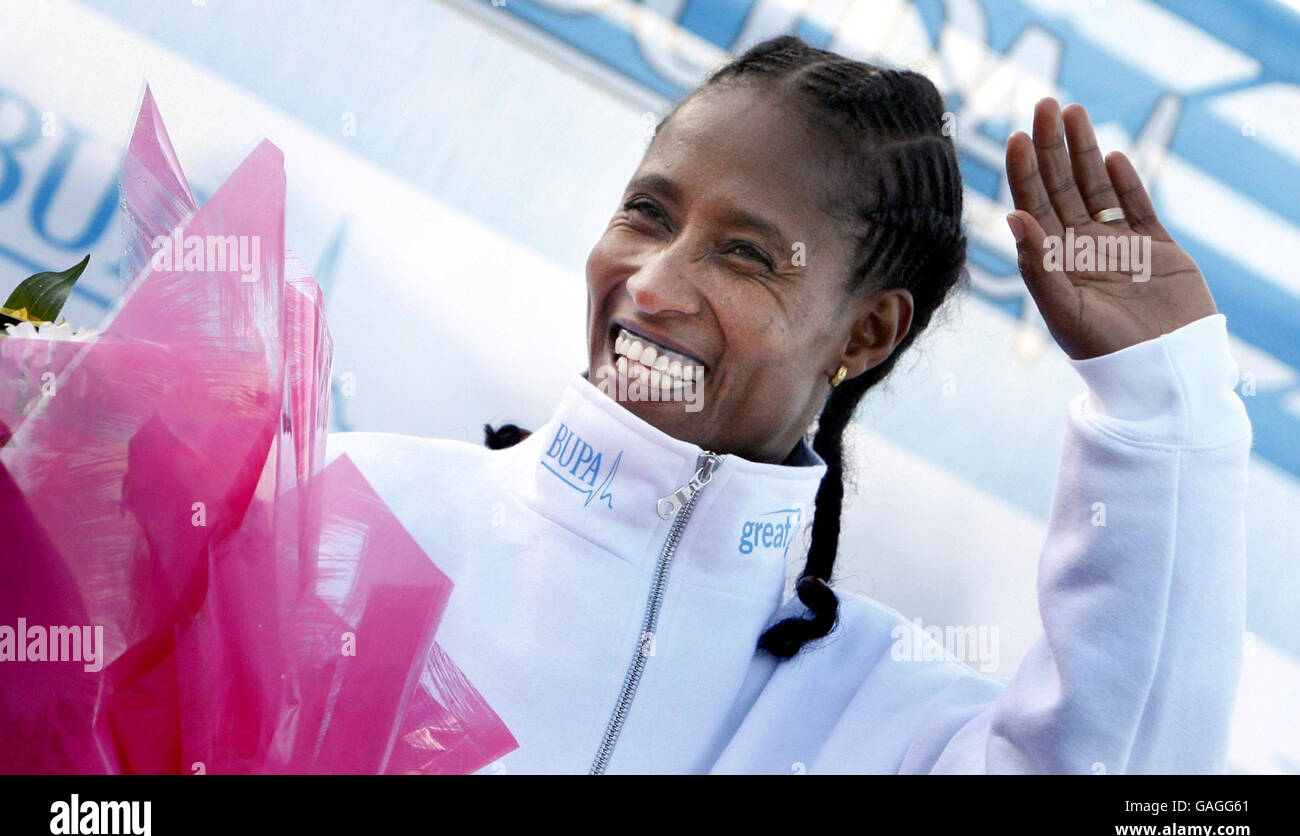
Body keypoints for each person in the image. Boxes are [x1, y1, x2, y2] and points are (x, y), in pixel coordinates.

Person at [327, 35, 1251, 774]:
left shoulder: (894, 722)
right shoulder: (353, 513)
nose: (651, 285)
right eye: (648, 212)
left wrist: (1166, 413)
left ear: (865, 336)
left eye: (745, 255)